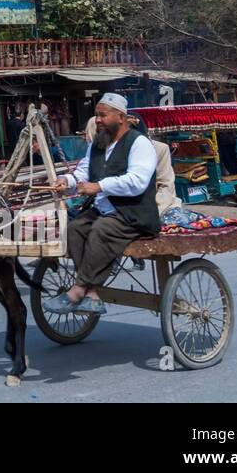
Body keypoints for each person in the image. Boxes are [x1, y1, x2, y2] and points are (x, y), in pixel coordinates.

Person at [45, 92, 160, 315]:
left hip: (133, 214)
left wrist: (99, 187)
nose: (97, 120)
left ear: (120, 117)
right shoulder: (97, 145)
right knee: (74, 229)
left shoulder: (140, 143)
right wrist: (66, 181)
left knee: (101, 229)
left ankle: (78, 290)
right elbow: (82, 173)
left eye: (102, 115)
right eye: (96, 115)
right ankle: (92, 293)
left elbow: (138, 181)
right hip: (104, 210)